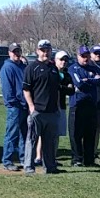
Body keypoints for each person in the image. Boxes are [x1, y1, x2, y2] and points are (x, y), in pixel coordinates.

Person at [22, 40, 64, 174]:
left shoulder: (53, 68)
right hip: (37, 111)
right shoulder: (31, 68)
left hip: (51, 111)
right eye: (43, 50)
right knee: (32, 140)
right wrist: (31, 107)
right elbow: (26, 89)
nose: (45, 53)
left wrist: (57, 106)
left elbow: (57, 89)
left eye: (48, 50)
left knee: (49, 141)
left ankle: (50, 167)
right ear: (37, 51)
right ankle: (29, 167)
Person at [68, 45, 100, 167]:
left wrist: (86, 80)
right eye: (83, 56)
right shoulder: (73, 68)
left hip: (91, 105)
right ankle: (77, 159)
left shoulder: (93, 68)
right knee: (76, 134)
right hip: (77, 105)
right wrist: (91, 80)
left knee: (90, 134)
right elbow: (78, 83)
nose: (85, 58)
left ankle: (89, 160)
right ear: (78, 56)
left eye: (87, 56)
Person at [0, 42, 27, 172]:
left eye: (18, 51)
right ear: (9, 53)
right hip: (14, 106)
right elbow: (7, 89)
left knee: (24, 134)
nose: (16, 54)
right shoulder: (7, 67)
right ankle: (7, 160)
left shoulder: (22, 66)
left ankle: (24, 158)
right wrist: (12, 102)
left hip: (24, 105)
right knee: (12, 134)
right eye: (14, 51)